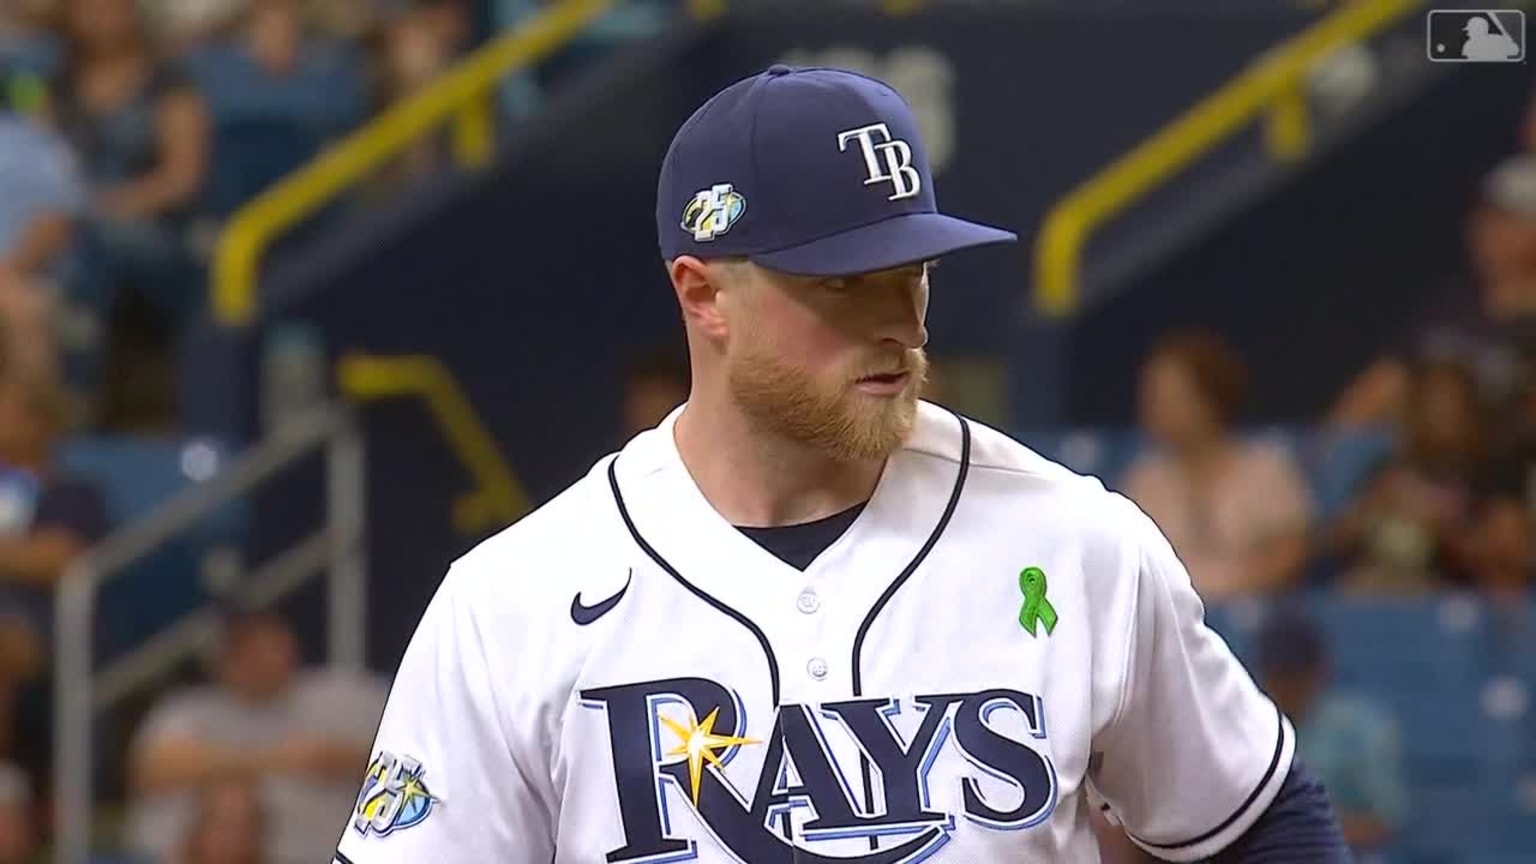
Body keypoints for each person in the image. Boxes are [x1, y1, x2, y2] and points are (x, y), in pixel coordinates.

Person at [332, 65, 1347, 862]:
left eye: (915, 276)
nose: (902, 327)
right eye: (845, 284)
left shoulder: (1077, 543)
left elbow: (1259, 819)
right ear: (704, 295)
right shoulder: (515, 601)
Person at [126, 607, 387, 864]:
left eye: (269, 645)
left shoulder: (345, 695)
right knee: (231, 802)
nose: (262, 658)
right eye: (246, 649)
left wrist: (338, 759)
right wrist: (273, 759)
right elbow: (151, 770)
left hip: (325, 855)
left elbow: (413, 764)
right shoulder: (188, 709)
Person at [1122, 330, 1314, 600]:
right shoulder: (1144, 479)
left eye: (1173, 396)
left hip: (1252, 617)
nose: (1158, 408)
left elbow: (1291, 551)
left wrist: (1239, 589)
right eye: (1153, 397)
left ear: (1209, 397)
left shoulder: (1266, 469)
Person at [1256, 609, 1407, 857]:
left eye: (1295, 674)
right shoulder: (1253, 727)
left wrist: (1301, 833)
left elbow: (1385, 820)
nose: (1286, 686)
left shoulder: (1360, 728)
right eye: (1278, 674)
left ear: (1319, 669)